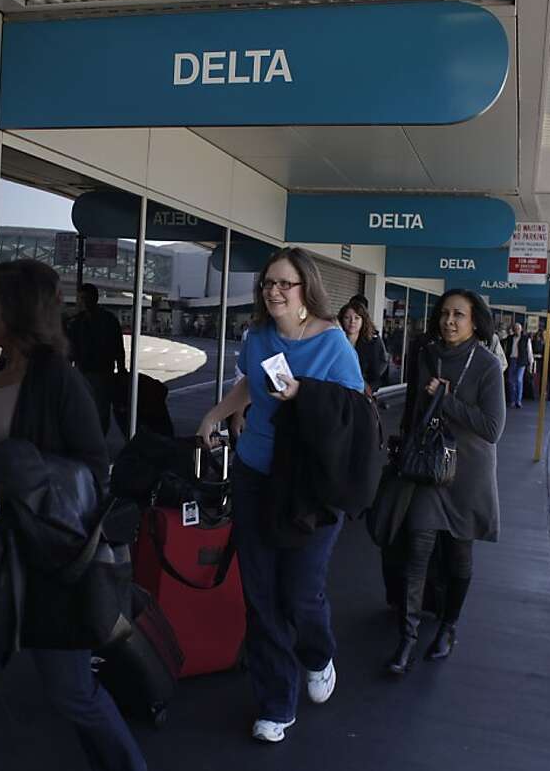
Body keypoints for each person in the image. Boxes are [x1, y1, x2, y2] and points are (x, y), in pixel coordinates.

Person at [0, 260, 146, 771]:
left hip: (51, 563)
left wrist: (27, 475)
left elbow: (95, 474)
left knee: (71, 693)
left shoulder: (60, 381)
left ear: (21, 309)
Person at [195, 248, 364, 744]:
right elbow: (251, 381)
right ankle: (276, 702)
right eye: (268, 282)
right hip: (255, 474)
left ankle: (317, 653)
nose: (273, 291)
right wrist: (216, 413)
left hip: (310, 485)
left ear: (305, 289)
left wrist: (302, 395)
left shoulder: (333, 345)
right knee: (261, 594)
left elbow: (354, 413)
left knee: (300, 591)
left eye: (284, 284)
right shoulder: (261, 336)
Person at [385, 289, 505, 674]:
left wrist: (446, 400)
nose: (449, 321)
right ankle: (407, 637)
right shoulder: (428, 355)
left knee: (458, 556)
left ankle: (449, 626)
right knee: (416, 551)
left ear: (474, 322)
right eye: (445, 313)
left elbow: (492, 428)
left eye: (459, 315)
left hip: (468, 473)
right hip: (428, 468)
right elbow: (417, 411)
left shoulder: (486, 364)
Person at [67, 283, 126, 435]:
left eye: (85, 298)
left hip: (100, 372)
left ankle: (94, 440)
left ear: (95, 299)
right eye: (81, 298)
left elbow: (118, 348)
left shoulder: (79, 322)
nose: (83, 302)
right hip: (89, 371)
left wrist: (120, 370)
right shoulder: (80, 322)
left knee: (97, 410)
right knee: (94, 410)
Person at [339, 300, 388, 395]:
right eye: (347, 317)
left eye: (357, 318)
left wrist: (366, 389)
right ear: (341, 320)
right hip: (337, 393)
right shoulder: (336, 341)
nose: (352, 322)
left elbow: (376, 377)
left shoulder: (372, 344)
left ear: (363, 321)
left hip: (360, 395)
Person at [502, 322, 534, 408]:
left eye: (518, 328)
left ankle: (518, 401)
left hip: (521, 360)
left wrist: (531, 363)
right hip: (512, 360)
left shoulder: (526, 339)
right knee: (510, 380)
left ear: (521, 329)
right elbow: (505, 348)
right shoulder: (509, 338)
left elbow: (529, 351)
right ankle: (512, 400)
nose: (517, 330)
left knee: (519, 380)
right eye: (515, 328)